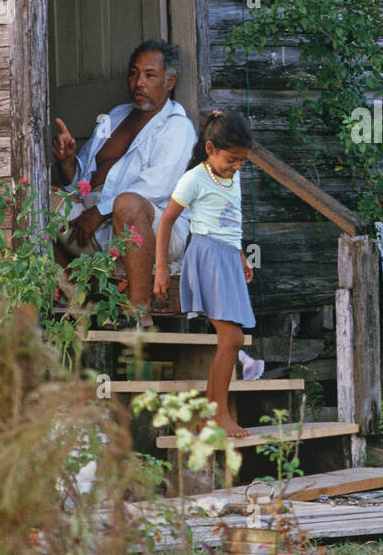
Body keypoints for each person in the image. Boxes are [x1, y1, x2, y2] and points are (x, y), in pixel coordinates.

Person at [52, 40, 194, 325]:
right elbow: (84, 179)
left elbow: (156, 187)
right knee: (37, 201)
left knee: (128, 204)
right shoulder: (114, 116)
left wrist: (99, 211)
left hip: (149, 228)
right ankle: (76, 296)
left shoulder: (177, 126)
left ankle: (138, 310)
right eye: (133, 73)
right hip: (95, 221)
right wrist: (68, 161)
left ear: (170, 82)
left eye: (149, 75)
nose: (138, 83)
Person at [153, 110, 256, 437]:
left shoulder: (232, 175)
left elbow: (230, 219)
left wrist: (240, 254)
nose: (237, 166)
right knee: (232, 338)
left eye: (242, 161)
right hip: (207, 256)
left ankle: (213, 414)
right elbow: (166, 221)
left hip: (227, 257)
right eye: (232, 159)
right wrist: (161, 268)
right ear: (210, 149)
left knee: (229, 340)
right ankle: (219, 415)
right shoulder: (194, 178)